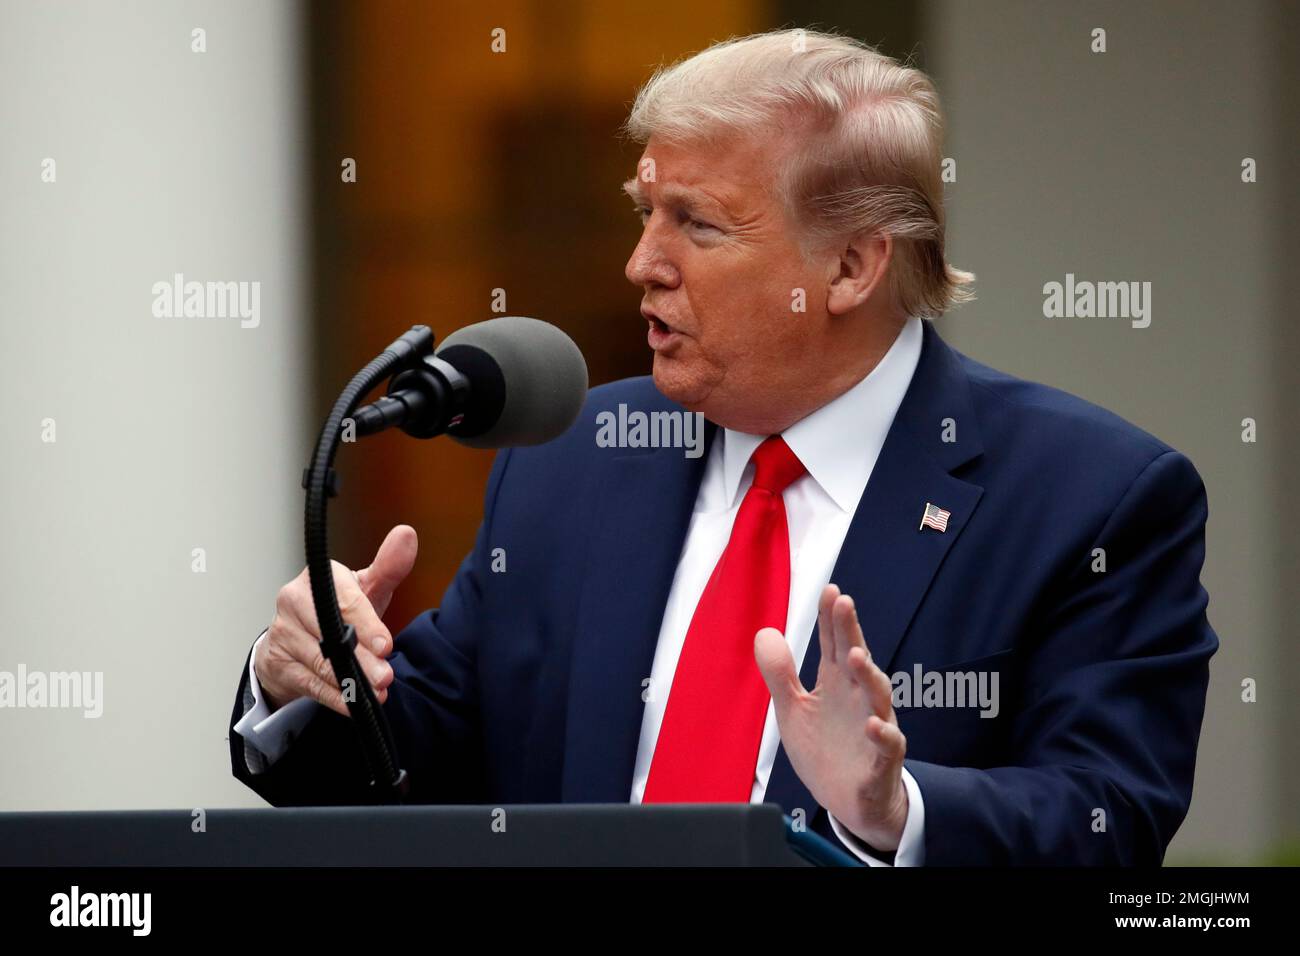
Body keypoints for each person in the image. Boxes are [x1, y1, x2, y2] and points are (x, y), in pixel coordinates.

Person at [229, 29, 1217, 865]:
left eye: (695, 224)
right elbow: (410, 770)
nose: (640, 264)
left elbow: (1108, 813)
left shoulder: (1090, 497)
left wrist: (892, 810)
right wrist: (306, 676)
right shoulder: (574, 459)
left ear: (850, 265)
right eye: (643, 213)